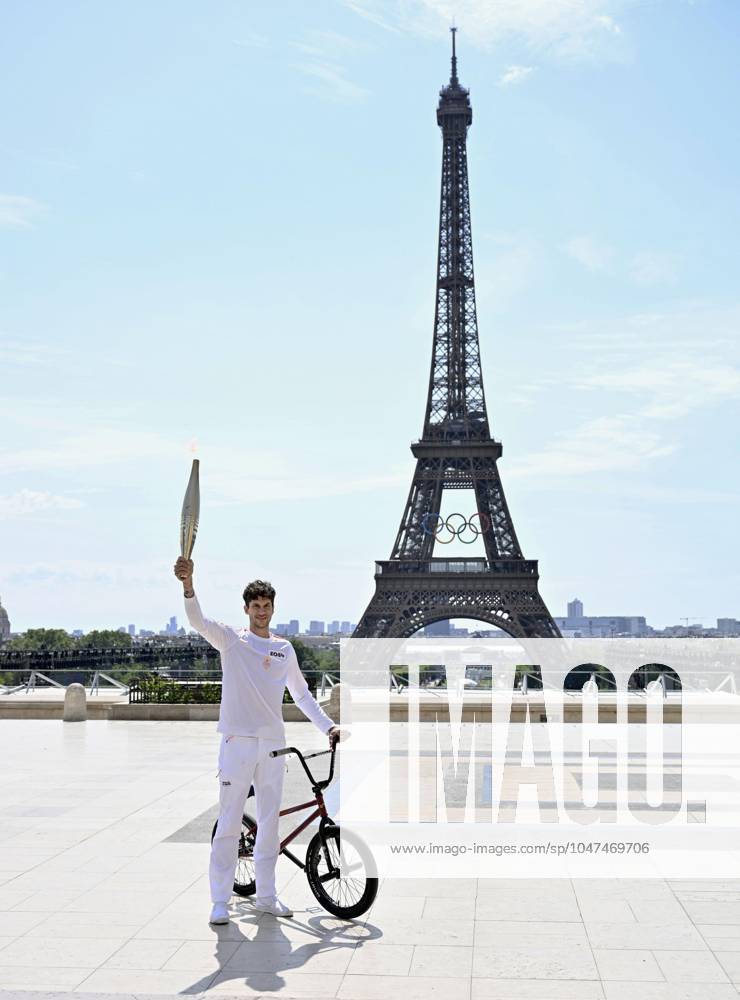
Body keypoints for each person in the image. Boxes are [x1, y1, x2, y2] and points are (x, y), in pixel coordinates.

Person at [173, 556, 343, 924]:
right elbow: (197, 621)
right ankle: (220, 900)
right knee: (230, 821)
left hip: (273, 746)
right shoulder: (232, 640)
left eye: (266, 606)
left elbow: (301, 695)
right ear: (246, 609)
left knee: (269, 823)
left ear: (273, 608)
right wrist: (188, 585)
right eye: (255, 606)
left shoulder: (285, 649)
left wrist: (328, 726)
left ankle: (266, 895)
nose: (261, 612)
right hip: (237, 742)